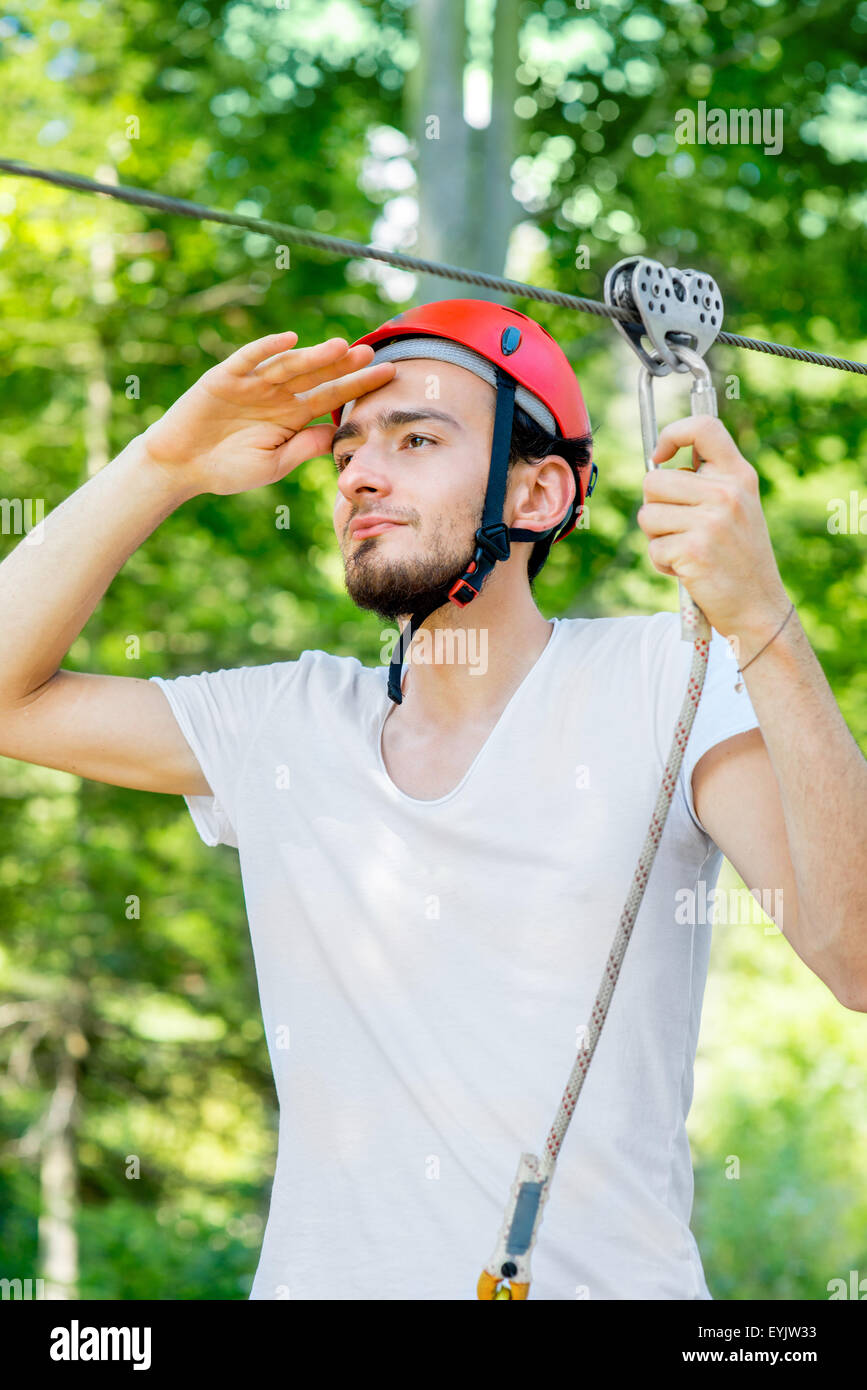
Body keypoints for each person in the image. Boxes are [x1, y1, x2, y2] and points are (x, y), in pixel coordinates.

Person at [0, 299, 864, 1302]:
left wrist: (761, 613)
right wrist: (164, 464)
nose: (361, 472)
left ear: (539, 491)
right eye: (349, 451)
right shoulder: (288, 724)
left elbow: (856, 958)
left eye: (416, 437)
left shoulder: (667, 676)